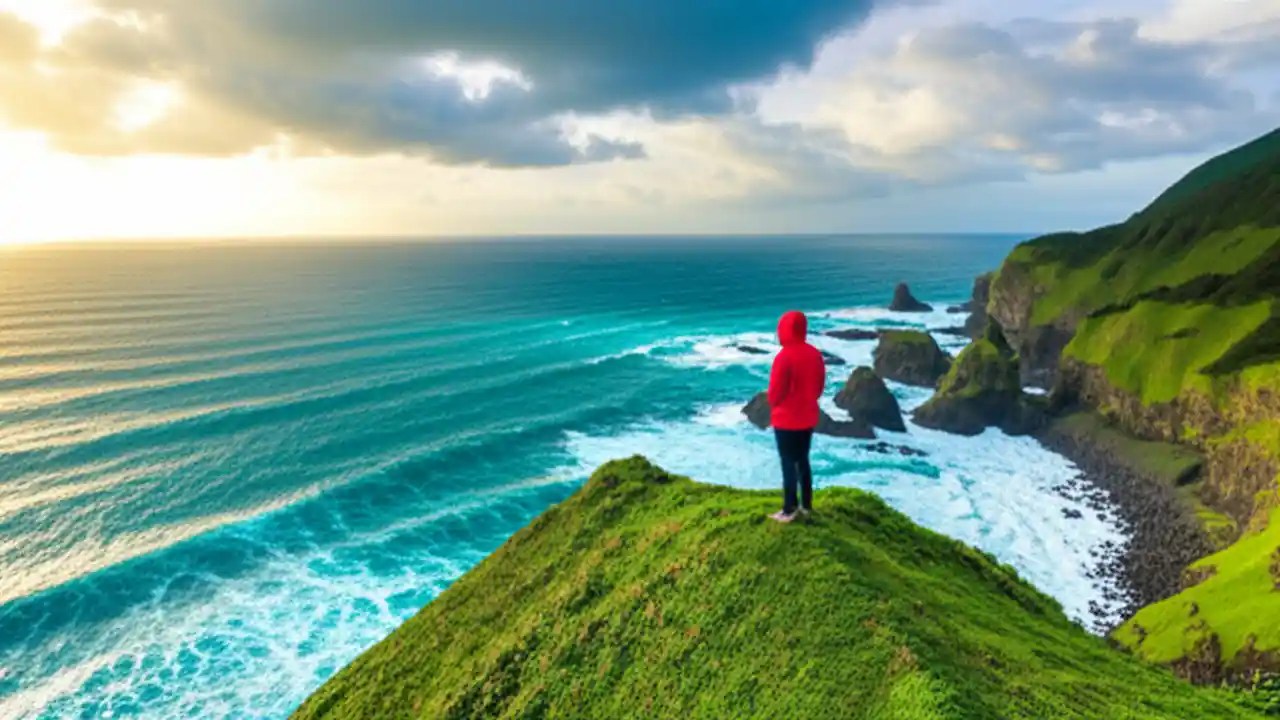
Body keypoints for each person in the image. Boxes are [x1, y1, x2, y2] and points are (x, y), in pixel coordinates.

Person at [766, 310, 825, 523]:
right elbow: (819, 387)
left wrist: (775, 404)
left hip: (786, 419)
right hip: (808, 417)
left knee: (788, 462)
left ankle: (789, 509)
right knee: (803, 460)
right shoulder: (814, 354)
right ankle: (807, 506)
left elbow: (775, 393)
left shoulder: (784, 357)